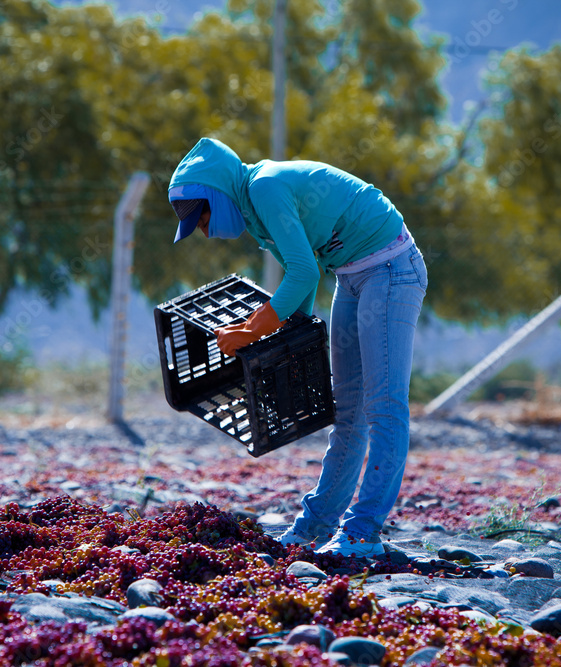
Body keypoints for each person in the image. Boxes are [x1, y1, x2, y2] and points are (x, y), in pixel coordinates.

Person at [167, 137, 427, 558]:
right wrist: (283, 336)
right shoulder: (254, 211)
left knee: (384, 405)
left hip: (391, 268)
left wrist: (253, 331)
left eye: (202, 215)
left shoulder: (263, 187)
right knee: (348, 413)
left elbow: (304, 273)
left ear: (217, 193)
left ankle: (362, 532)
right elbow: (302, 271)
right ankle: (314, 528)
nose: (202, 228)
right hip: (351, 276)